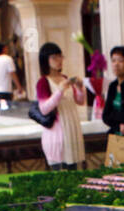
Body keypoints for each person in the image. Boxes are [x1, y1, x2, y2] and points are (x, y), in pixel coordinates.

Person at [35, 42, 86, 171]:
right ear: (45, 60)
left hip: (71, 128)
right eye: (54, 57)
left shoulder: (65, 78)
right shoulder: (43, 82)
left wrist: (79, 88)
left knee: (73, 168)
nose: (59, 60)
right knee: (60, 170)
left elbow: (80, 101)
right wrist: (59, 91)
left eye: (60, 56)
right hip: (58, 132)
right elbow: (44, 109)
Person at [0, 41, 23, 110]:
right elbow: (12, 74)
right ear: (4, 49)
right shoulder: (8, 59)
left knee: (1, 111)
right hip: (6, 90)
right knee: (9, 110)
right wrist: (19, 86)